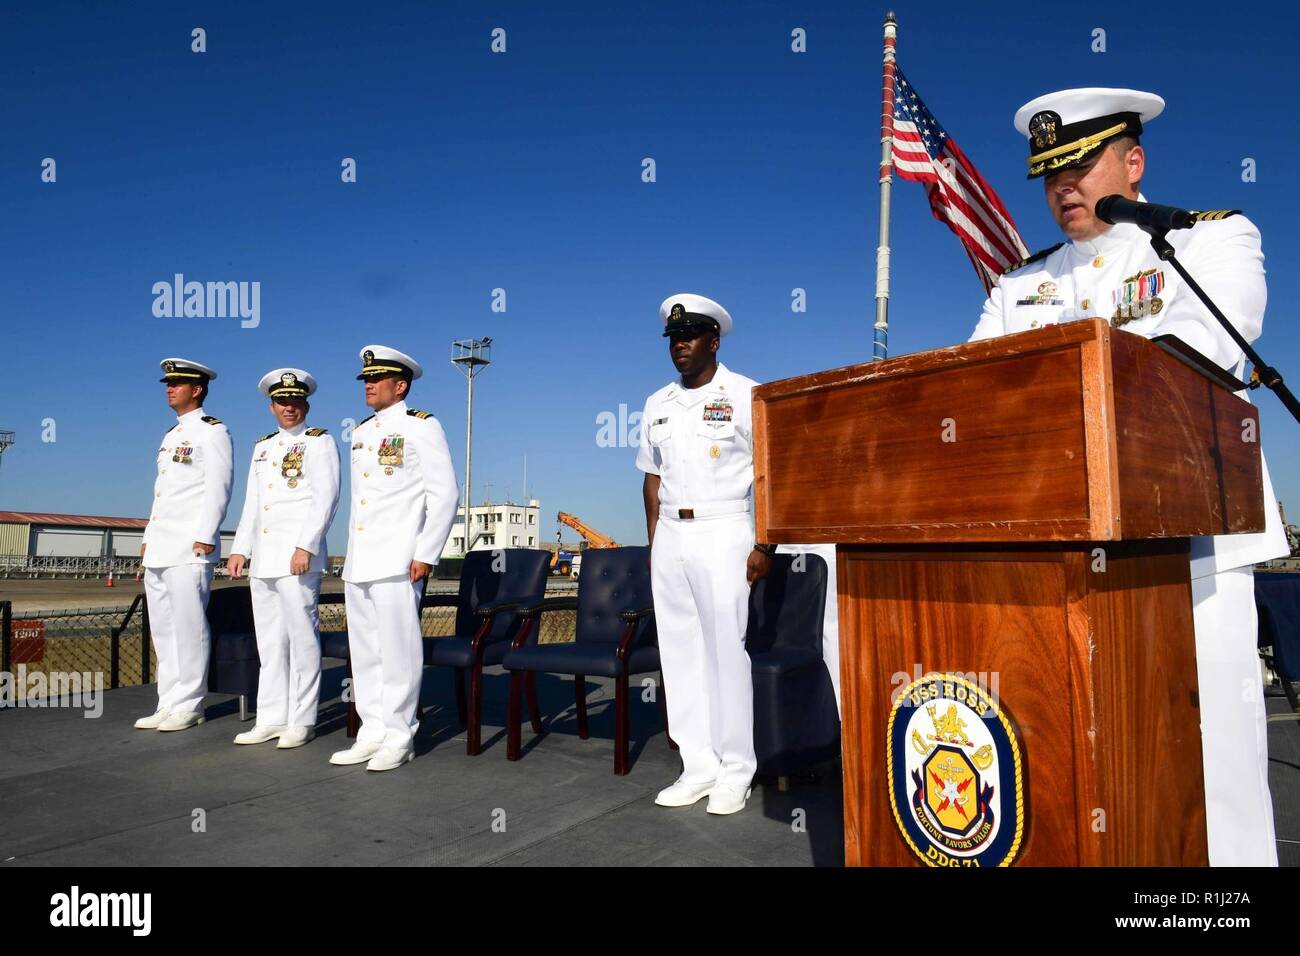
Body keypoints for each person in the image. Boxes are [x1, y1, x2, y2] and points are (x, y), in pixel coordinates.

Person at [971, 88, 1290, 865]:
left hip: (1193, 539)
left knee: (1208, 749)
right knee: (1097, 755)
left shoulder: (1205, 241)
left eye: (1079, 166)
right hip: (1063, 553)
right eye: (1049, 175)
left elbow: (1205, 345)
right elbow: (975, 393)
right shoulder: (1018, 285)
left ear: (1133, 162)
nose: (1063, 187)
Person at [637, 293, 772, 815]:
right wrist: (656, 545)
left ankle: (736, 768)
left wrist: (765, 543)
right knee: (680, 653)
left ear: (714, 341)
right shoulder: (657, 403)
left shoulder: (746, 393)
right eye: (673, 338)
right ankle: (697, 765)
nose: (680, 346)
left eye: (690, 336)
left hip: (725, 529)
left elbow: (770, 473)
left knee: (725, 653)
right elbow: (652, 479)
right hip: (671, 533)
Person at [329, 345, 459, 772]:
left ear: (400, 385)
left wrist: (426, 553)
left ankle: (400, 735)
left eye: (376, 378)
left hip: (399, 558)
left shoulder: (422, 426)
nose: (368, 383)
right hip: (361, 559)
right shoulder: (363, 431)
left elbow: (444, 495)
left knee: (399, 651)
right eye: (366, 378)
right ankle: (372, 730)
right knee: (365, 651)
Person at [227, 369, 341, 749]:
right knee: (270, 642)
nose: (288, 408)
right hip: (264, 557)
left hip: (297, 558)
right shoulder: (262, 447)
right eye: (281, 402)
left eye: (295, 401)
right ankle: (271, 717)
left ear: (305, 404)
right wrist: (240, 548)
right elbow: (253, 503)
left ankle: (302, 719)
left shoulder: (319, 442)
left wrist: (305, 546)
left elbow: (326, 497)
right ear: (272, 406)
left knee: (302, 638)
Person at [136, 358, 234, 732]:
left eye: (177, 383)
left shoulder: (213, 432)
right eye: (168, 383)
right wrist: (148, 536)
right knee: (163, 629)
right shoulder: (171, 435)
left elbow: (218, 487)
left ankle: (190, 703)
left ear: (197, 389)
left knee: (189, 627)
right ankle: (168, 701)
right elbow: (162, 493)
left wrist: (206, 535)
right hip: (162, 544)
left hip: (190, 546)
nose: (169, 388)